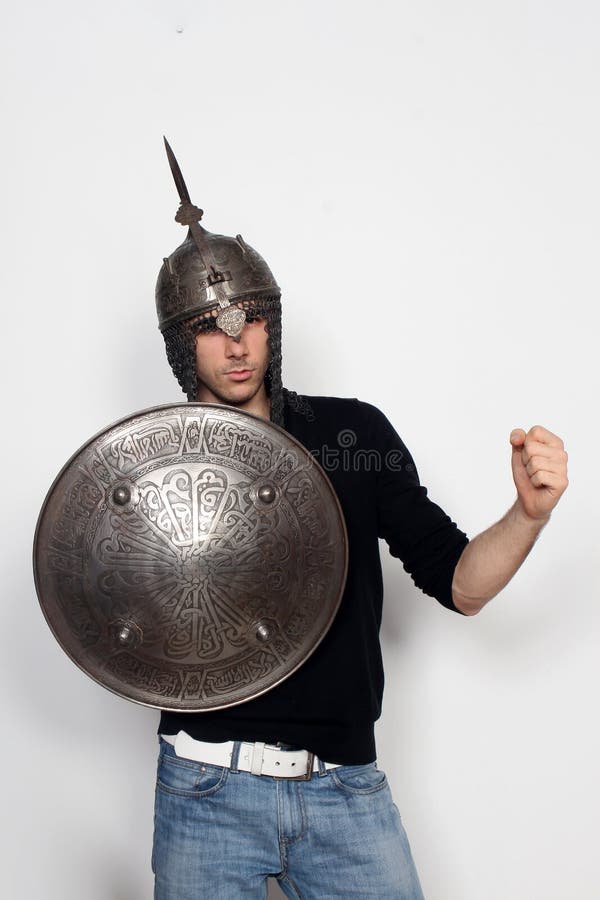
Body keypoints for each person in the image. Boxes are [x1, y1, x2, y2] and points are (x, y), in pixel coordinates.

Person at [151, 143, 568, 899]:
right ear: (183, 344)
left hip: (342, 790)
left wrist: (528, 515)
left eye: (250, 319)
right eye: (211, 326)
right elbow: (117, 615)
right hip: (203, 789)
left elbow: (460, 584)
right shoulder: (150, 472)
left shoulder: (354, 437)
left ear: (273, 324)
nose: (237, 341)